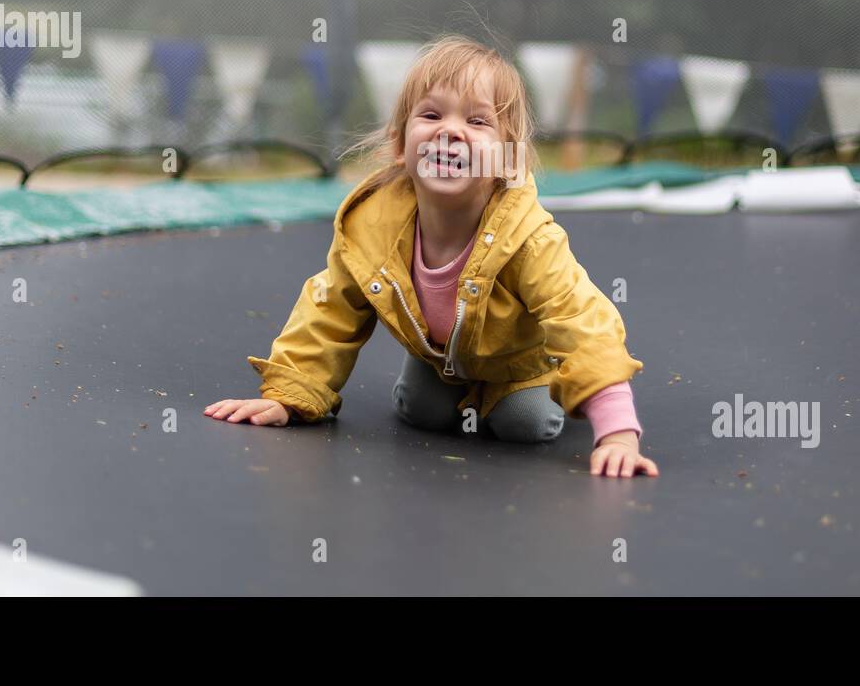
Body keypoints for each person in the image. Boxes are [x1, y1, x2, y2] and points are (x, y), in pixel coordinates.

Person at [206, 35, 657, 477]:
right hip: (440, 360)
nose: (451, 130)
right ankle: (451, 384)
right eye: (431, 114)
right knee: (421, 412)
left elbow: (580, 319)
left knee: (525, 424)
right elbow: (329, 312)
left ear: (506, 159)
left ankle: (523, 390)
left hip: (518, 363)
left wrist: (618, 433)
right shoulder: (371, 229)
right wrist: (288, 395)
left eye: (478, 122)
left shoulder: (528, 238)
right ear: (400, 145)